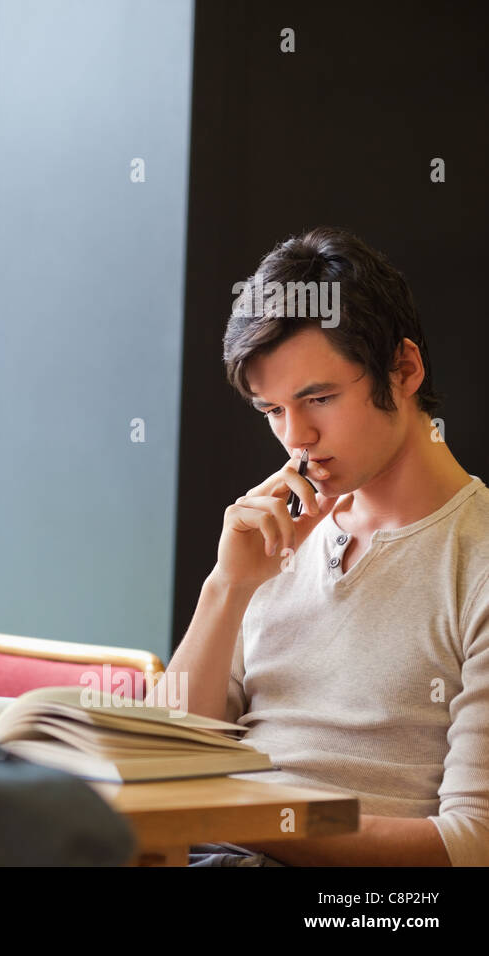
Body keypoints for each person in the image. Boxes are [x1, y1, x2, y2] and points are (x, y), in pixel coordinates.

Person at [157, 227, 488, 866]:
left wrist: (231, 812)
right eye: (272, 411)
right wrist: (227, 588)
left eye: (320, 398)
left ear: (405, 368)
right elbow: (160, 758)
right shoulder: (274, 535)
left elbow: (467, 847)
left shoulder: (472, 560)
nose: (297, 436)